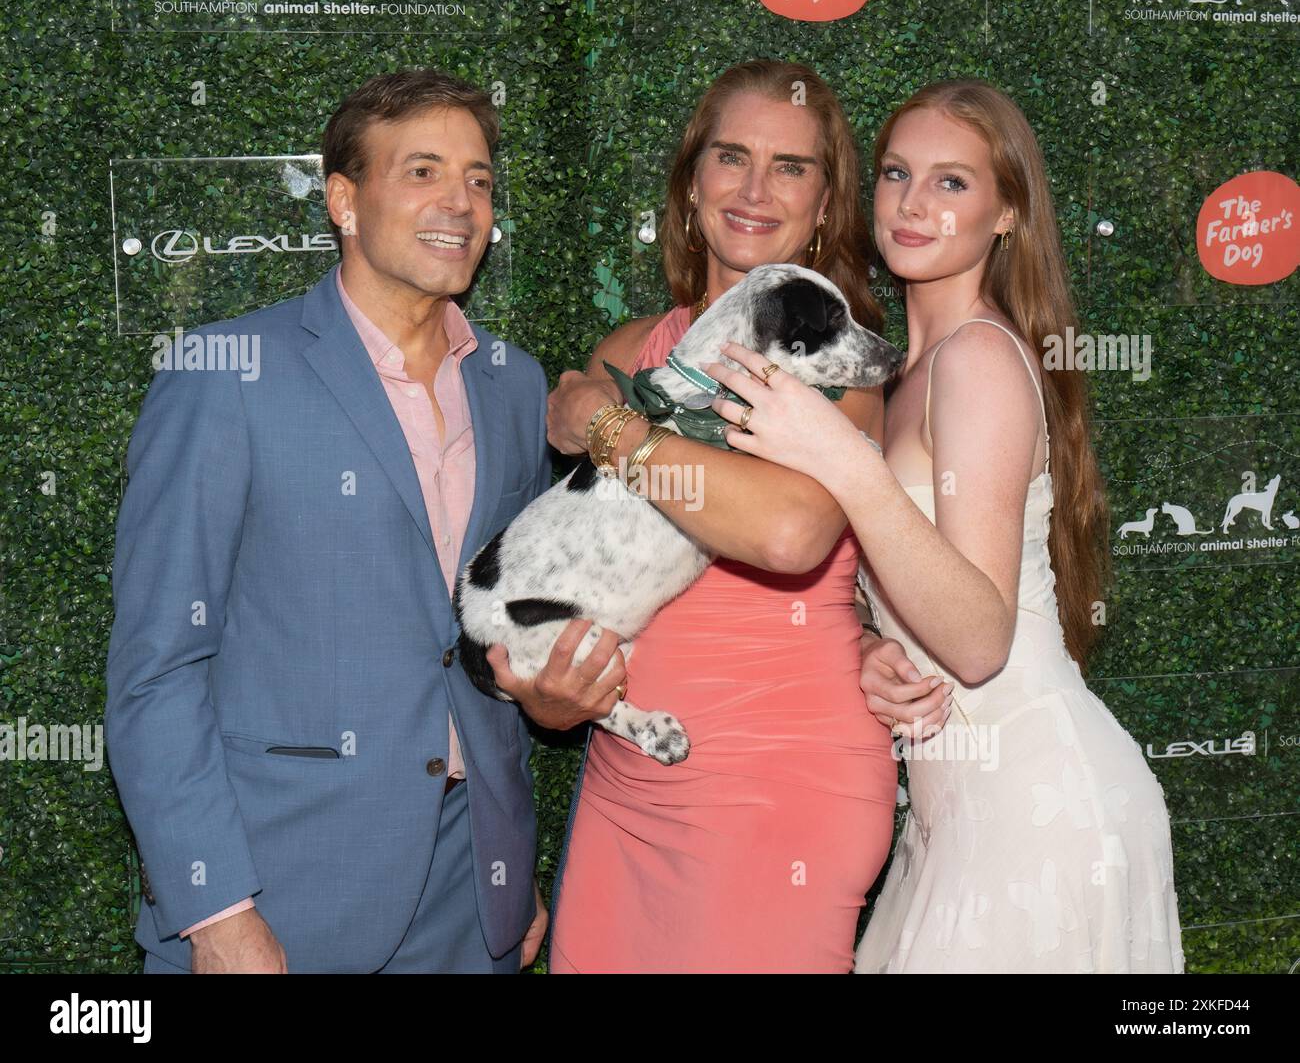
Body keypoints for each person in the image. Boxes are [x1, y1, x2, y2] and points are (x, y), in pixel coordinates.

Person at [104, 69, 614, 973]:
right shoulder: (226, 373)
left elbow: (480, 632)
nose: (461, 201)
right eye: (422, 171)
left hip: (470, 897)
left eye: (480, 179)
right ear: (344, 199)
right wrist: (215, 910)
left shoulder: (511, 384)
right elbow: (157, 672)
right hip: (280, 892)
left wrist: (507, 859)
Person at [701, 79, 1185, 973]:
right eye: (896, 174)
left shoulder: (977, 360)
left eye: (953, 182)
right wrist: (869, 650)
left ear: (1007, 215)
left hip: (1036, 814)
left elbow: (975, 640)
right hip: (952, 817)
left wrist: (837, 458)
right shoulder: (907, 366)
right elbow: (920, 585)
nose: (914, 204)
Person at [533, 61, 911, 973]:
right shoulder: (626, 350)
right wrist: (544, 689)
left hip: (777, 785)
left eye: (791, 167)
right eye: (730, 157)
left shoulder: (835, 360)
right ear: (691, 182)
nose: (753, 189)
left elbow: (789, 534)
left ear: (826, 203)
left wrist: (607, 425)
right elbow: (579, 565)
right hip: (631, 779)